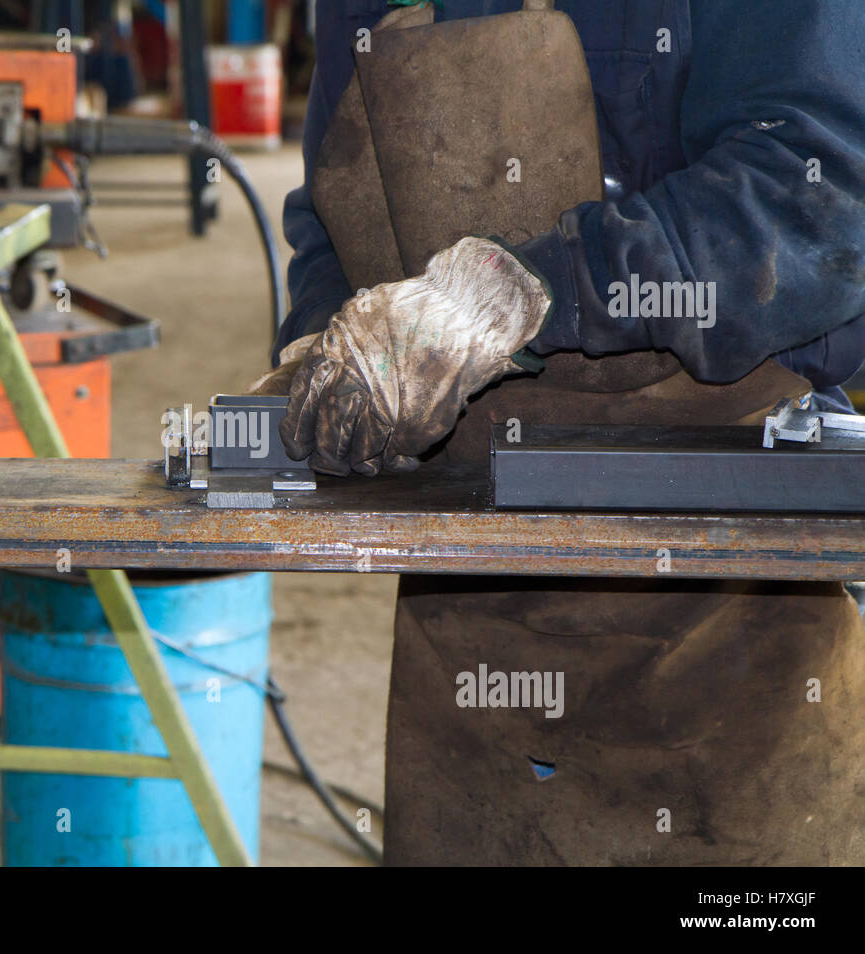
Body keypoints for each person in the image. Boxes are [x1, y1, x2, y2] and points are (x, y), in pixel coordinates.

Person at [266, 0, 865, 864]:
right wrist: (330, 342)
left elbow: (825, 195)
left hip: (725, 594)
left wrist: (524, 292)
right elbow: (335, 193)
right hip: (468, 611)